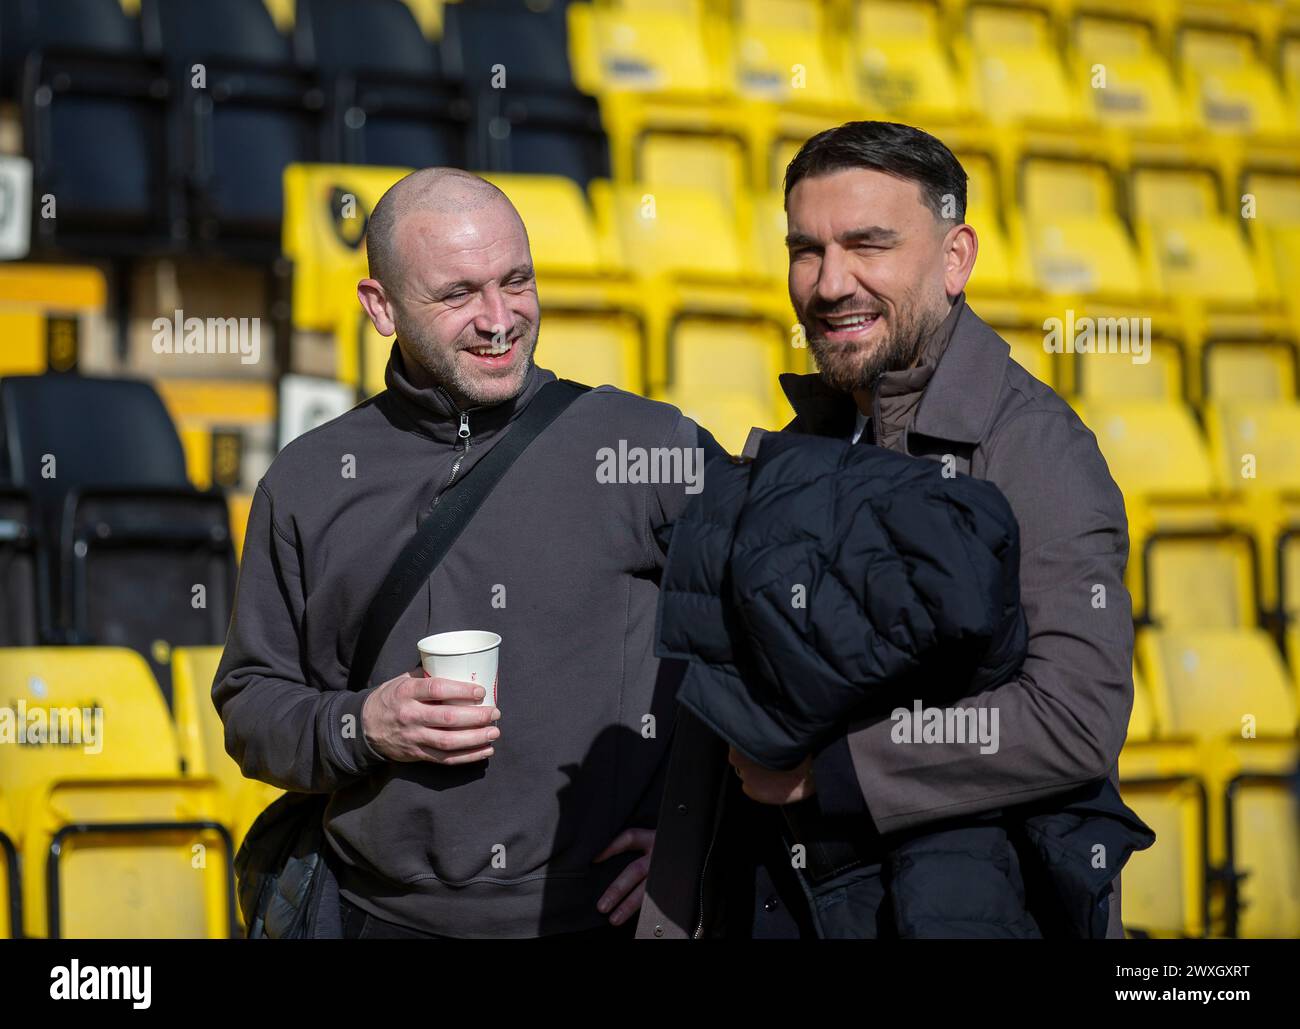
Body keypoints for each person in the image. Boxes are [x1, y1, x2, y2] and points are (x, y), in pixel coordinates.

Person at [636, 120, 1137, 939]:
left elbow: (1072, 715)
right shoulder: (810, 441)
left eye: (869, 245)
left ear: (955, 258)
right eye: (807, 249)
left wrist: (832, 773)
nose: (831, 283)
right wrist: (672, 875)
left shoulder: (1035, 445)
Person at [215, 168, 721, 938]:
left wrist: (700, 832)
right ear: (380, 307)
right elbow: (252, 708)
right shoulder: (307, 479)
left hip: (597, 922)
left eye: (516, 280)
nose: (499, 318)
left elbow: (773, 628)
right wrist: (363, 726)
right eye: (457, 294)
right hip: (376, 920)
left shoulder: (645, 444)